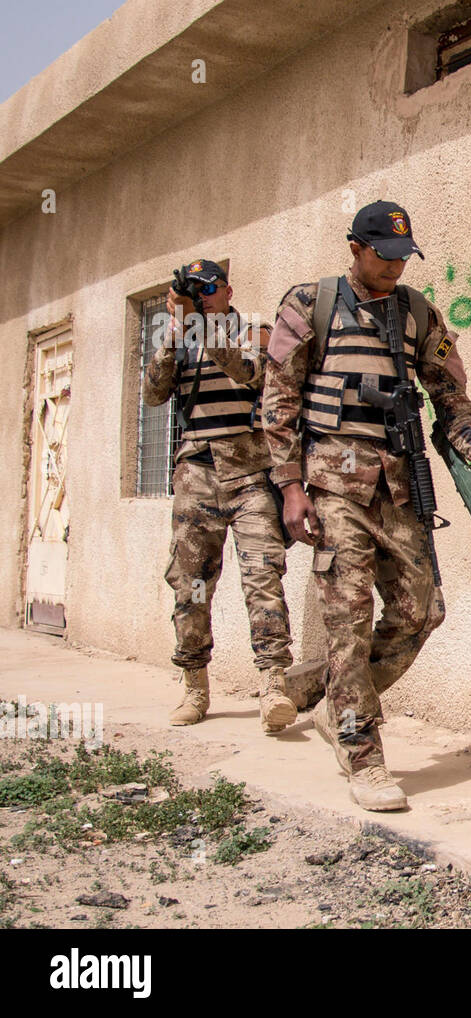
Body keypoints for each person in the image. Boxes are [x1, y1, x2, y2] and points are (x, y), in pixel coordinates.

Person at [261, 201, 471, 811]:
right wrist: (290, 486)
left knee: (422, 611)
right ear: (356, 248)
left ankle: (330, 696)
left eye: (404, 257)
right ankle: (362, 754)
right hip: (332, 483)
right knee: (347, 618)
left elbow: (450, 394)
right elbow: (279, 399)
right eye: (385, 255)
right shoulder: (309, 303)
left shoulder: (420, 313)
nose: (396, 267)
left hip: (399, 484)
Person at [141, 259, 297, 733]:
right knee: (190, 585)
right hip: (197, 475)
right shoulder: (178, 338)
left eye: (210, 288)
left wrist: (204, 328)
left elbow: (252, 374)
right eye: (195, 290)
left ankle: (273, 685)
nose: (203, 296)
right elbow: (152, 394)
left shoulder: (255, 332)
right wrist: (174, 331)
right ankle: (194, 686)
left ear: (228, 291)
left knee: (262, 578)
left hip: (250, 476)